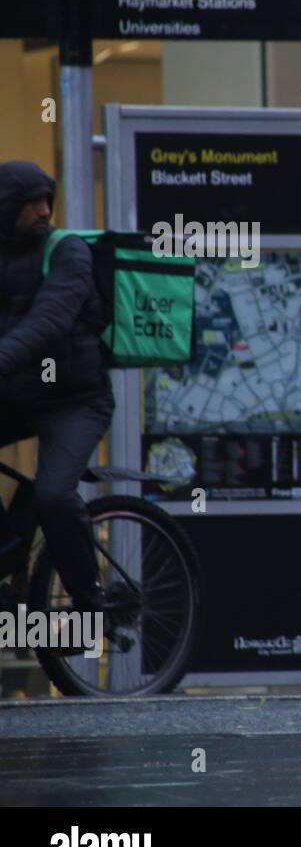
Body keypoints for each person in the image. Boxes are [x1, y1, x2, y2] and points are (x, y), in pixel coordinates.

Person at [0, 160, 116, 619]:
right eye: (33, 203)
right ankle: (9, 555)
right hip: (19, 396)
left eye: (48, 200)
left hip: (76, 400)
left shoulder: (66, 252)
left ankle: (92, 597)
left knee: (53, 495)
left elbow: (49, 321)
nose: (45, 211)